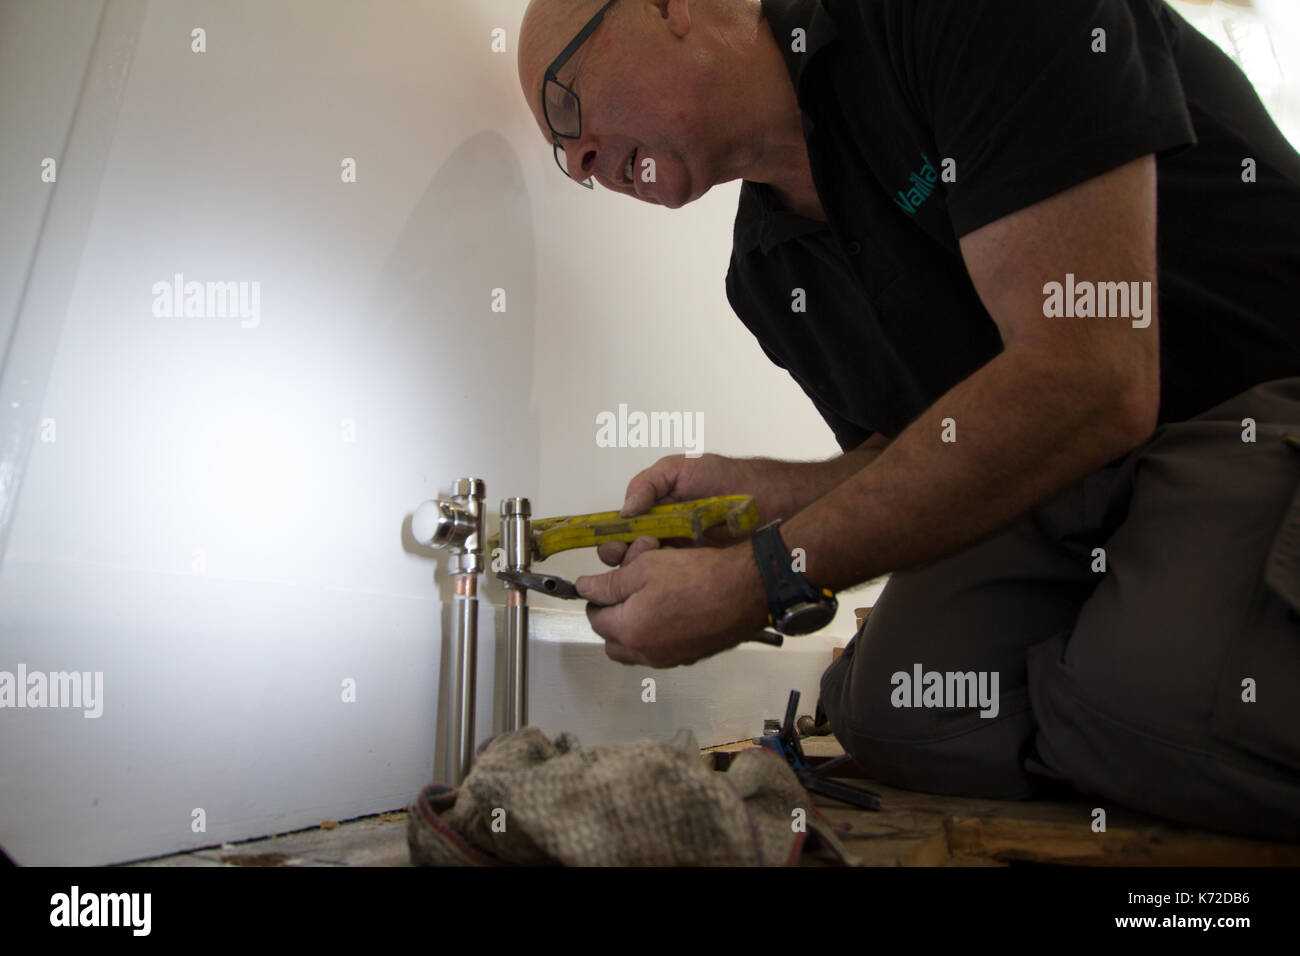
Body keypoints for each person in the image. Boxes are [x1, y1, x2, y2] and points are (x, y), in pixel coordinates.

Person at [516, 0, 1300, 839]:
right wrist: (770, 503)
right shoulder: (769, 273)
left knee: (1151, 687)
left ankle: (1146, 691)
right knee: (893, 706)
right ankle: (1145, 701)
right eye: (562, 156)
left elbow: (1090, 375)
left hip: (1257, 408)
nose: (580, 156)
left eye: (567, 105)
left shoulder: (958, 21)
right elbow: (936, 450)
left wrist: (761, 582)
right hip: (1086, 484)